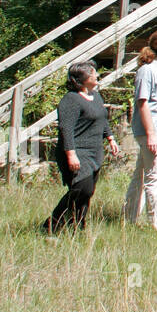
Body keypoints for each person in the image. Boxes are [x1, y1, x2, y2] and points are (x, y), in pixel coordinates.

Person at [44, 60, 120, 233]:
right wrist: (71, 154)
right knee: (81, 189)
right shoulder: (70, 100)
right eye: (93, 73)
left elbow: (102, 118)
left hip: (95, 151)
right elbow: (66, 128)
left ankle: (77, 226)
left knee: (88, 192)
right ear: (83, 78)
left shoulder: (96, 96)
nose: (97, 75)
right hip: (77, 152)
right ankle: (52, 224)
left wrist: (110, 138)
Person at [124, 29, 157, 231]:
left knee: (140, 175)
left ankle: (128, 218)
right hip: (151, 132)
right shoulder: (147, 71)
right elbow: (142, 104)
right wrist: (151, 134)